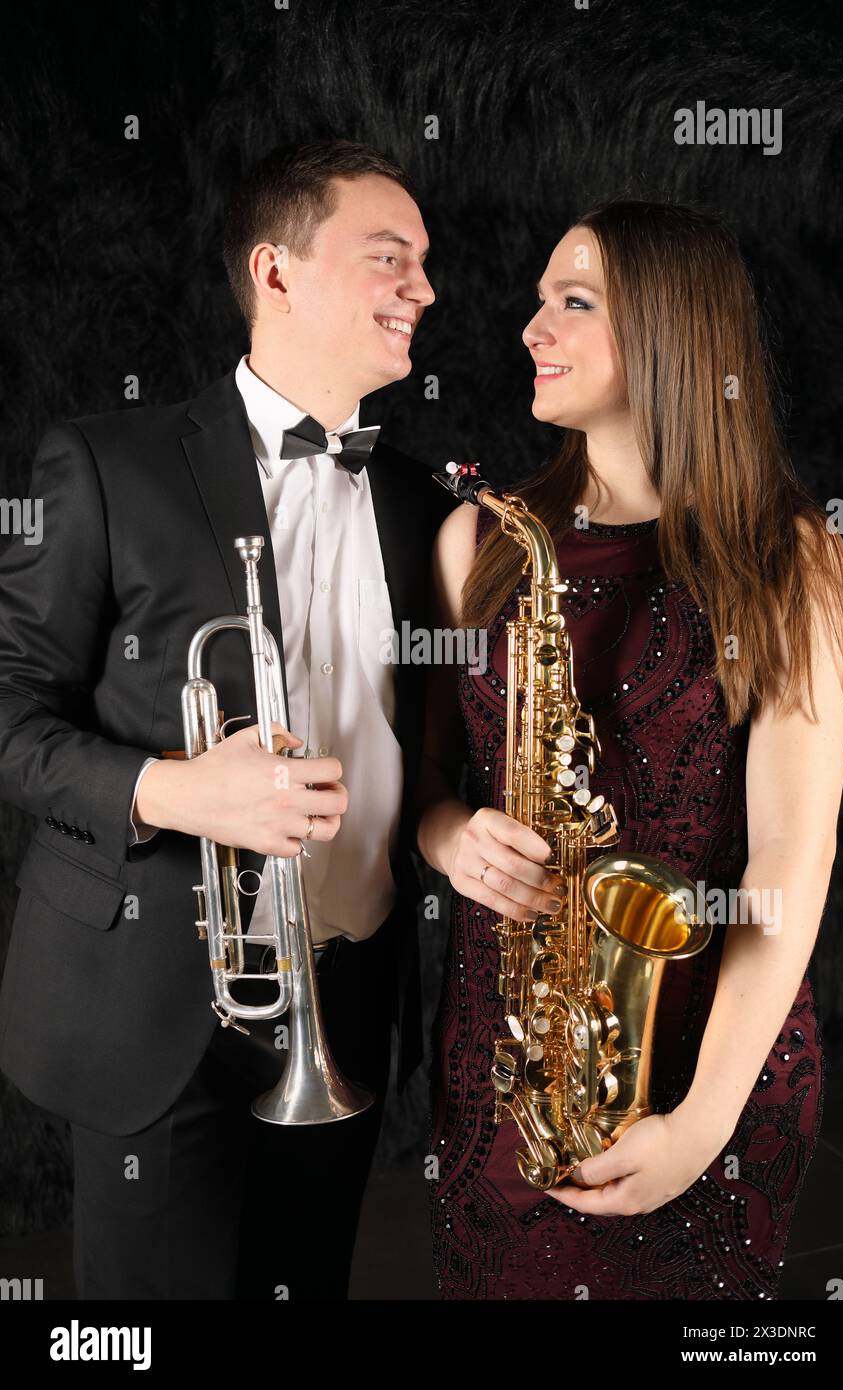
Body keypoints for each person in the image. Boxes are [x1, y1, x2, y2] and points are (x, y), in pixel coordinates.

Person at [0, 139, 450, 1299]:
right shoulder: (107, 463)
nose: (425, 289)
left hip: (344, 994)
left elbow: (434, 741)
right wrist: (174, 790)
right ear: (277, 272)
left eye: (426, 265)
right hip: (159, 999)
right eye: (389, 257)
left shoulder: (419, 503)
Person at [416, 200, 843, 1300]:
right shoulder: (480, 537)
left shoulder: (785, 557)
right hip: (507, 1057)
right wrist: (447, 840)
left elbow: (787, 873)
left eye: (573, 303)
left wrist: (699, 1124)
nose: (530, 328)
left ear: (672, 330)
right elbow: (423, 784)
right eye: (537, 300)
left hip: (707, 1063)